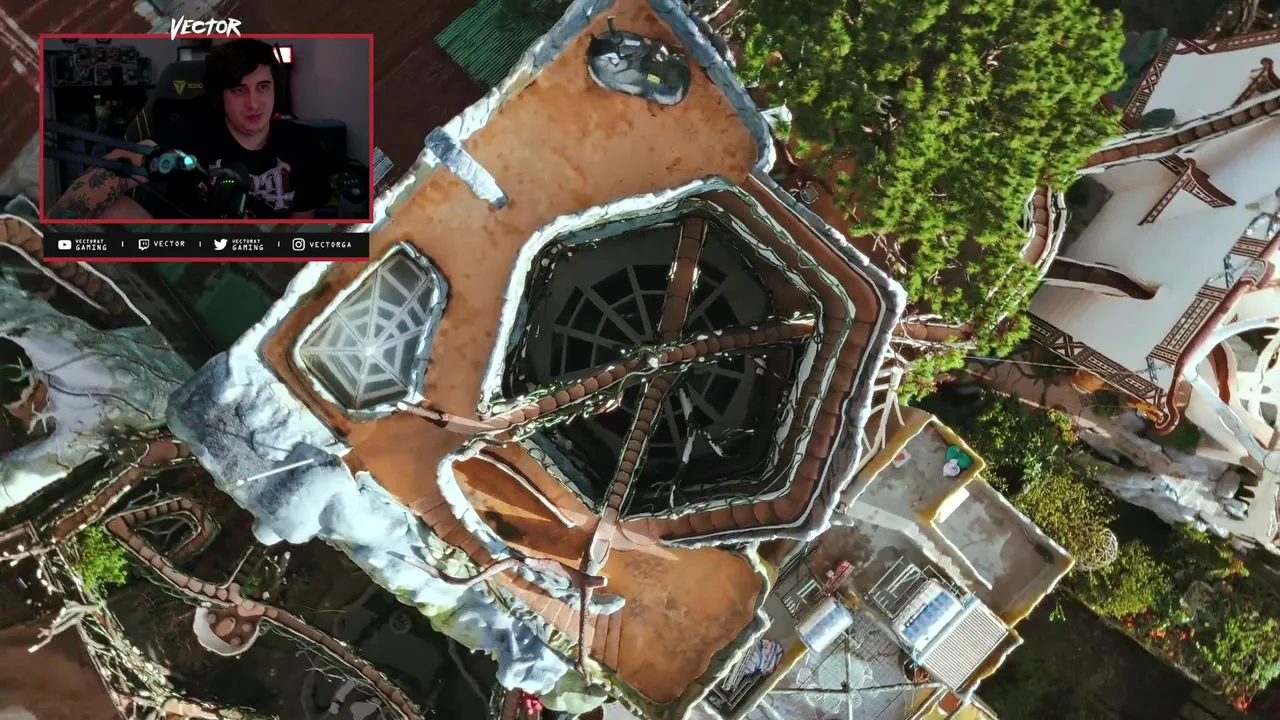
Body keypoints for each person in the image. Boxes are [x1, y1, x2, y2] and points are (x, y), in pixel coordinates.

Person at [49, 38, 326, 220]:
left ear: (276, 89)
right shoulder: (188, 134)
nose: (254, 103)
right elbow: (121, 165)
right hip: (187, 251)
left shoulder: (302, 143)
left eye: (262, 87)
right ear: (220, 97)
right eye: (239, 90)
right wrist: (55, 231)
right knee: (114, 210)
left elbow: (303, 224)